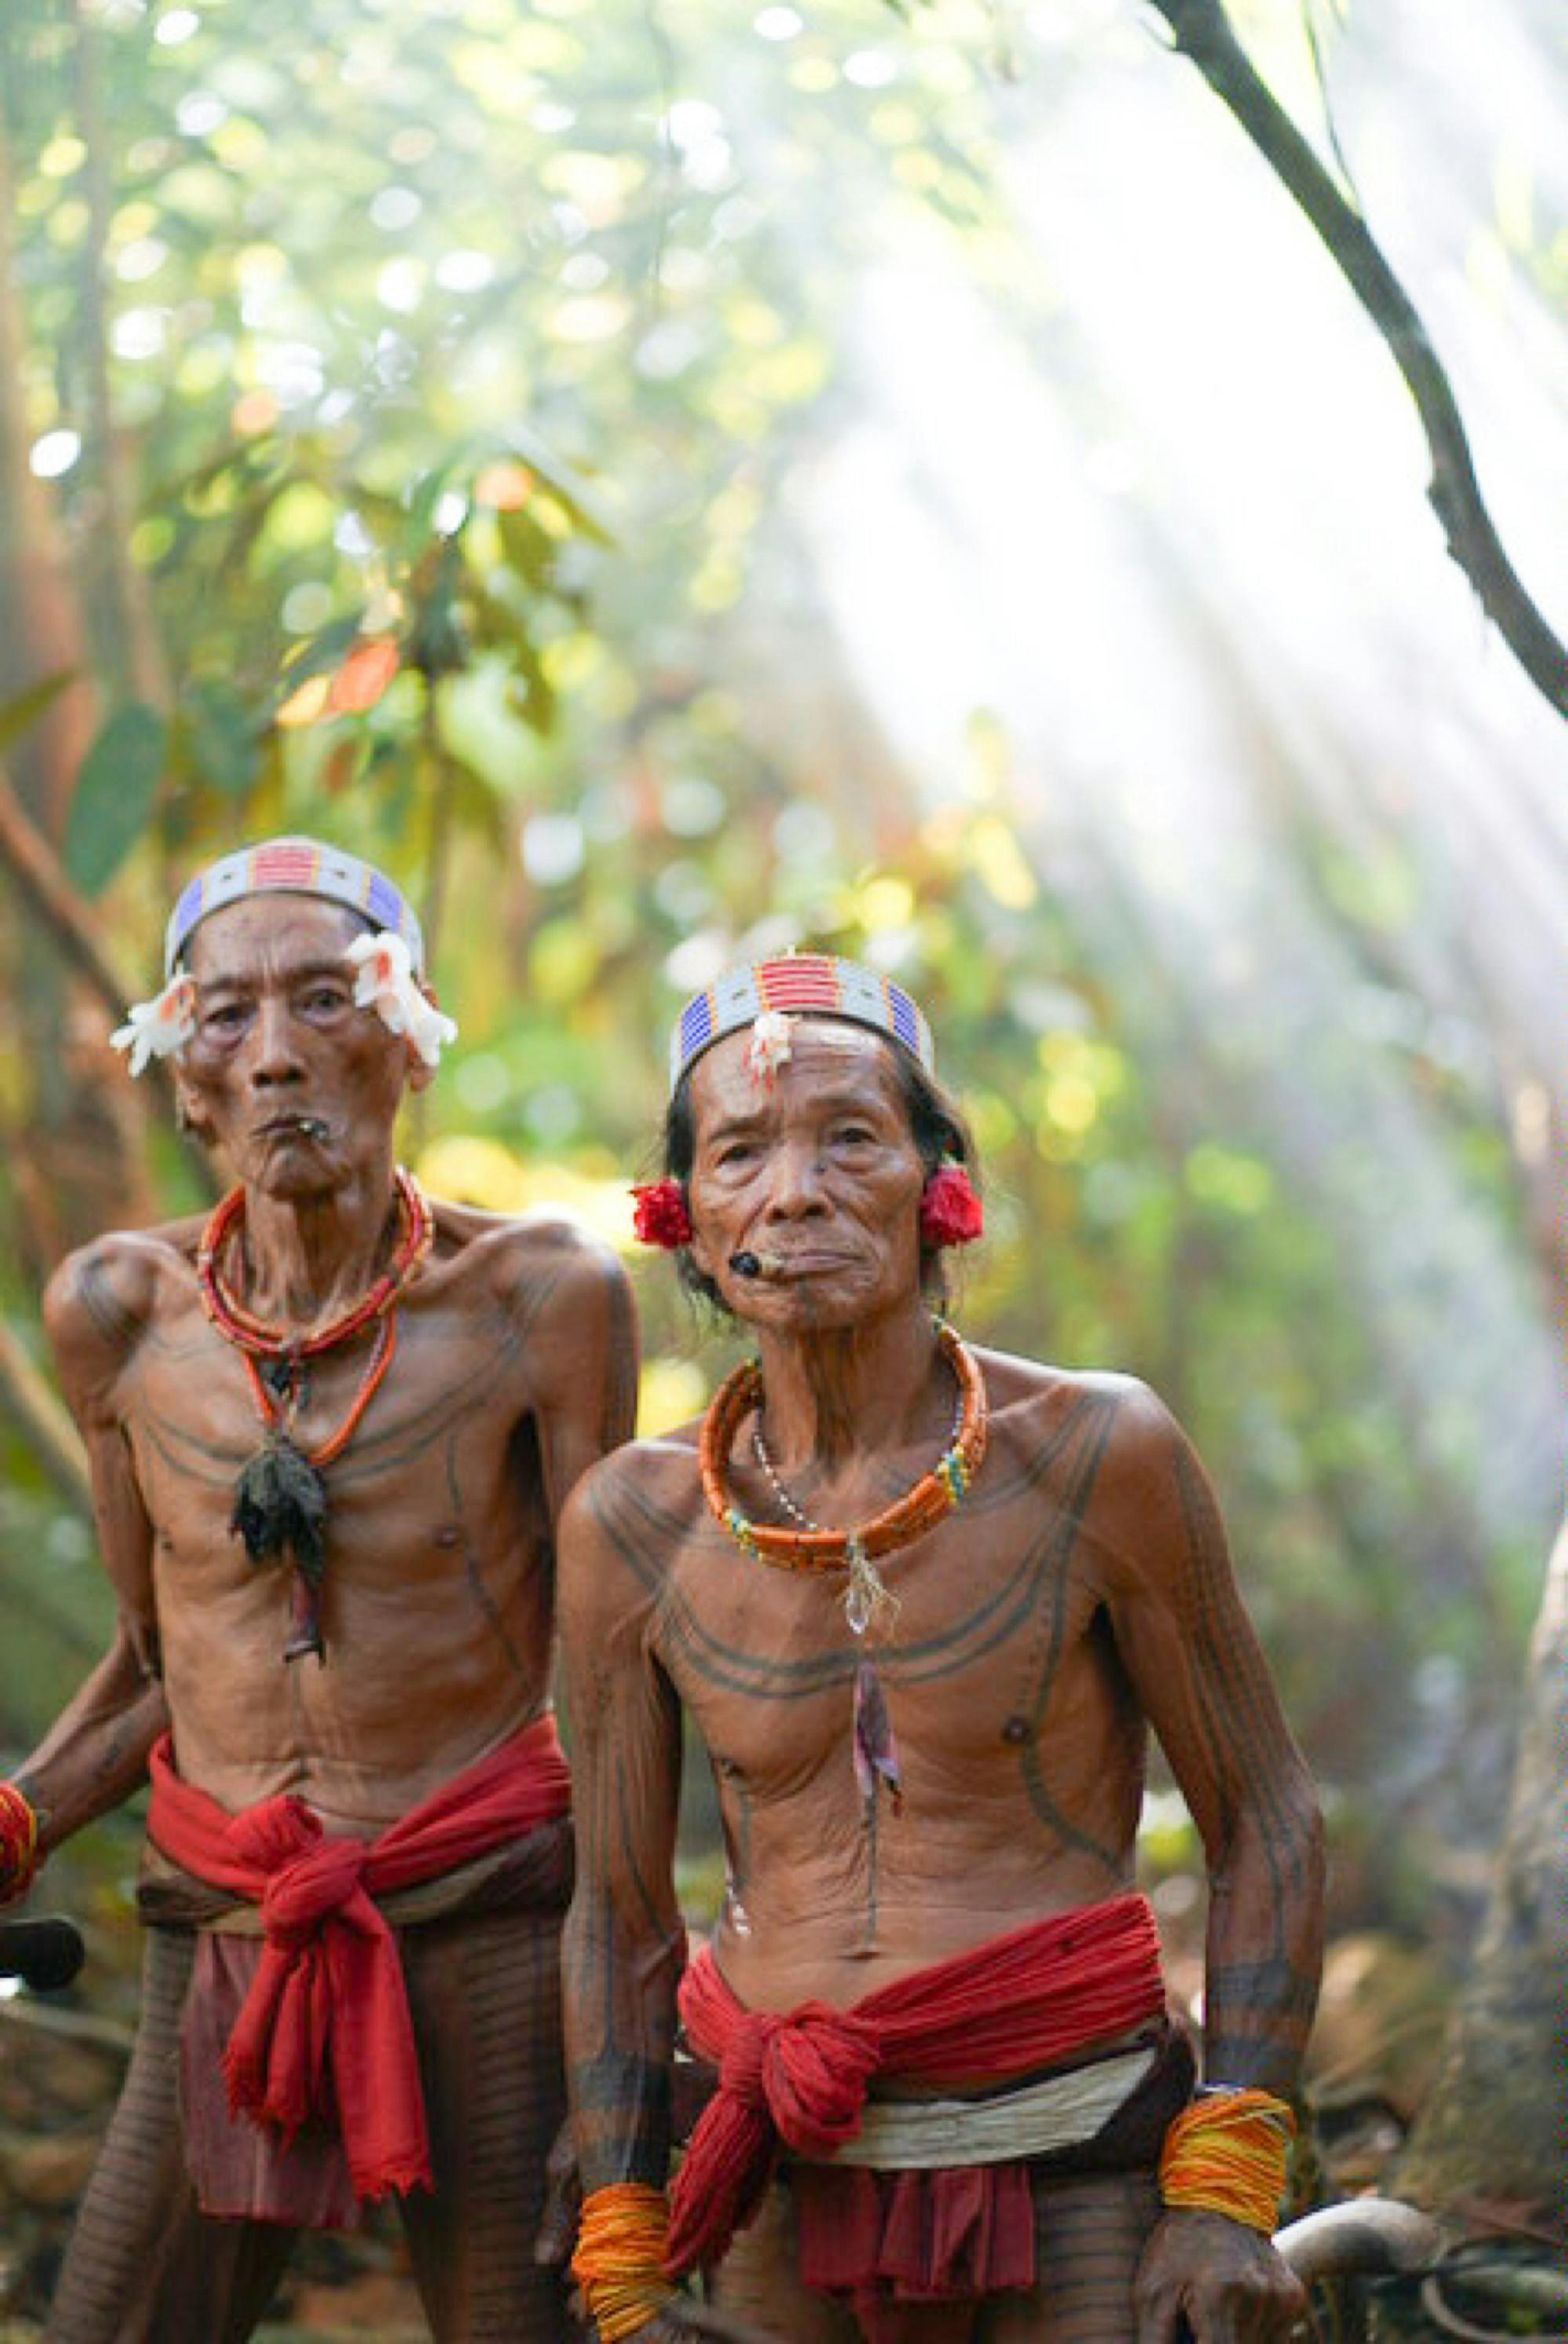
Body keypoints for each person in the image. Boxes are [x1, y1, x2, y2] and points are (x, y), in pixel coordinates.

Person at [556, 954, 1325, 2344]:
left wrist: (1224, 2188)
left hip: (1072, 2141)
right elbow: (616, 1918)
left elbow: (1265, 1819)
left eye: (851, 1138)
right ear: (686, 1219)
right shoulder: (631, 1524)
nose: (797, 1192)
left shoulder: (1098, 1456)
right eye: (741, 1152)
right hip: (779, 2167)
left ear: (938, 1185)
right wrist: (623, 2250)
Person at [0, 836, 637, 2344]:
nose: (278, 1054)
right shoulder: (115, 1315)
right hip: (222, 1915)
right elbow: (159, 1658)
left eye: (327, 1000)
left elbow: (620, 1675)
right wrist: (18, 1820)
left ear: (410, 1041)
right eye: (228, 1016)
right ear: (188, 1082)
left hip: (479, 1911)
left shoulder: (543, 1302)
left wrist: (628, 2034)